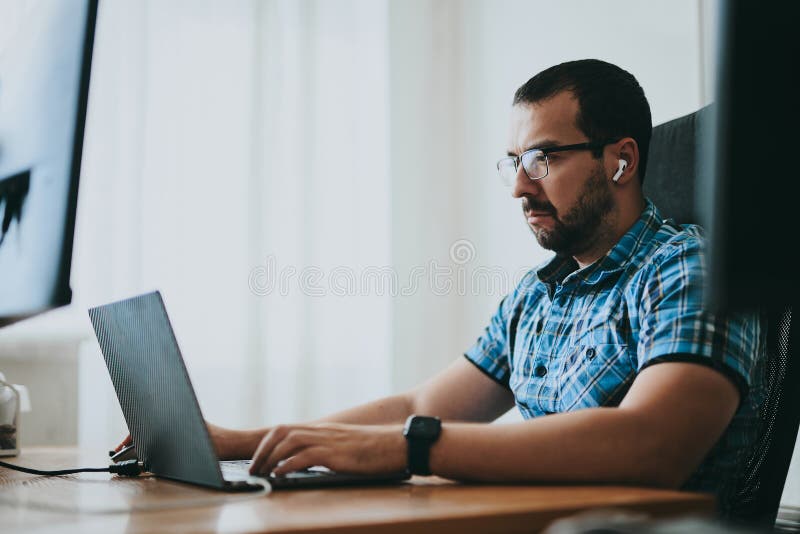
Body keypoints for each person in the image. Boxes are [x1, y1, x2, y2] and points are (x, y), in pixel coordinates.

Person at [117, 59, 765, 516]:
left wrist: (412, 445)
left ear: (620, 159)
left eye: (543, 158)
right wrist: (240, 441)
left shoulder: (687, 268)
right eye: (513, 163)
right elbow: (426, 399)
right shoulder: (537, 296)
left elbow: (651, 446)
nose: (518, 186)